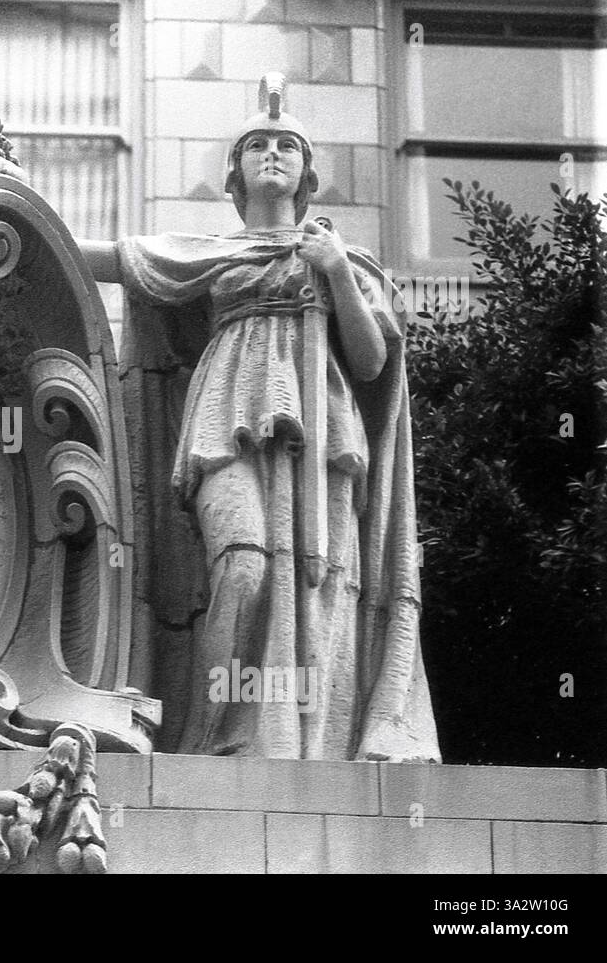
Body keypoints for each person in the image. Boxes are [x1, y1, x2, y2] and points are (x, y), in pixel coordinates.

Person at [81, 74, 441, 761]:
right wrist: (10, 221)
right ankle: (219, 737)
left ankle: (302, 740)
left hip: (324, 433)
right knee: (243, 568)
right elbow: (116, 262)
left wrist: (335, 272)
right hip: (227, 417)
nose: (271, 153)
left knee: (316, 580)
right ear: (235, 175)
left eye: (286, 145)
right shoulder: (206, 255)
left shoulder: (345, 261)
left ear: (308, 176)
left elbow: (370, 363)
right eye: (256, 145)